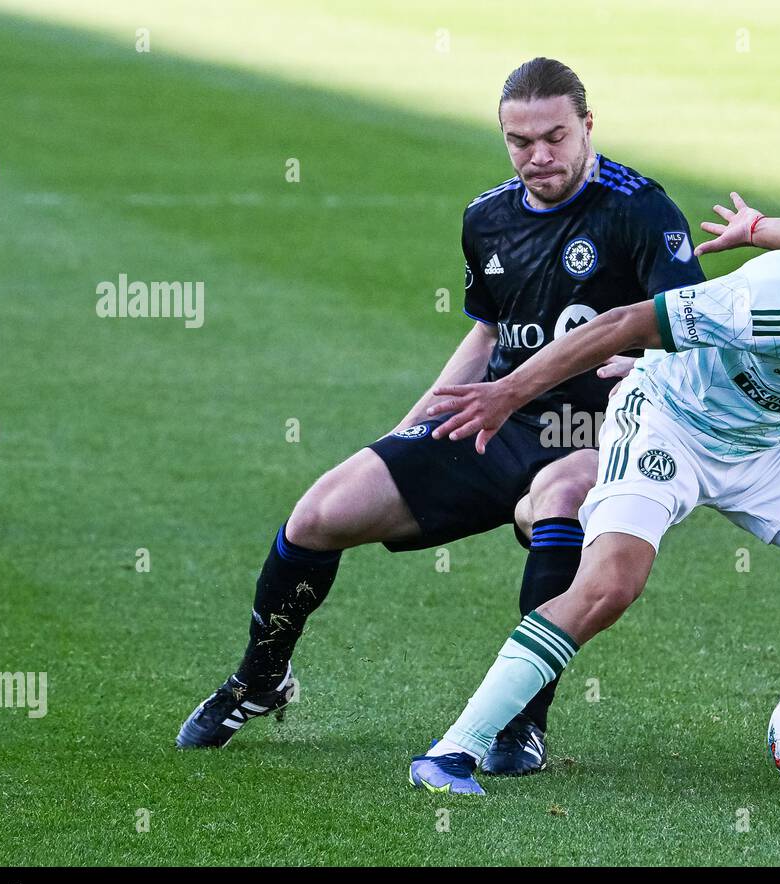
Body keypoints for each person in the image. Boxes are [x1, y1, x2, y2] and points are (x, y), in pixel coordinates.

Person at [176, 58, 705, 777]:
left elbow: (693, 329)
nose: (538, 156)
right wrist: (410, 425)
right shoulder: (487, 218)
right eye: (519, 141)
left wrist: (643, 364)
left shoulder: (641, 210)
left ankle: (522, 722)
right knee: (318, 514)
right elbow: (488, 333)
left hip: (600, 431)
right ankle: (260, 678)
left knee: (561, 498)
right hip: (496, 419)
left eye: (554, 136)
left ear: (587, 124)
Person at [408, 193, 780, 793]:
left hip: (767, 444)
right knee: (608, 587)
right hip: (669, 425)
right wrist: (508, 391)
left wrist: (759, 227)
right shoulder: (767, 304)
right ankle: (453, 752)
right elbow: (622, 324)